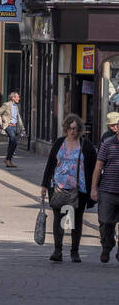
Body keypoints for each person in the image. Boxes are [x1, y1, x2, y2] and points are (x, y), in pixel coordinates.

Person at [40, 114, 97, 263]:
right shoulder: (59, 143)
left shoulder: (86, 145)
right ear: (65, 129)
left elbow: (93, 166)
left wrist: (94, 187)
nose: (72, 131)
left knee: (76, 220)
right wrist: (45, 185)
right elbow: (51, 164)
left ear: (79, 129)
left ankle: (75, 252)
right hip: (58, 187)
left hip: (79, 190)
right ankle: (57, 251)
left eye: (75, 129)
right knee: (59, 218)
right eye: (70, 128)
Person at [90, 111, 119, 263]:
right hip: (108, 189)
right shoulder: (107, 143)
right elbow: (98, 166)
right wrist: (94, 188)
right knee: (105, 221)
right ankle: (107, 246)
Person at [0, 91, 23, 169]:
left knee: (12, 143)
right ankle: (8, 160)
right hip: (8, 126)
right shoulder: (6, 105)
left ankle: (8, 160)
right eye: (17, 97)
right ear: (13, 98)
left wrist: (22, 128)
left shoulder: (16, 106)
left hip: (14, 127)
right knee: (14, 141)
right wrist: (0, 123)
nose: (19, 98)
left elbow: (18, 118)